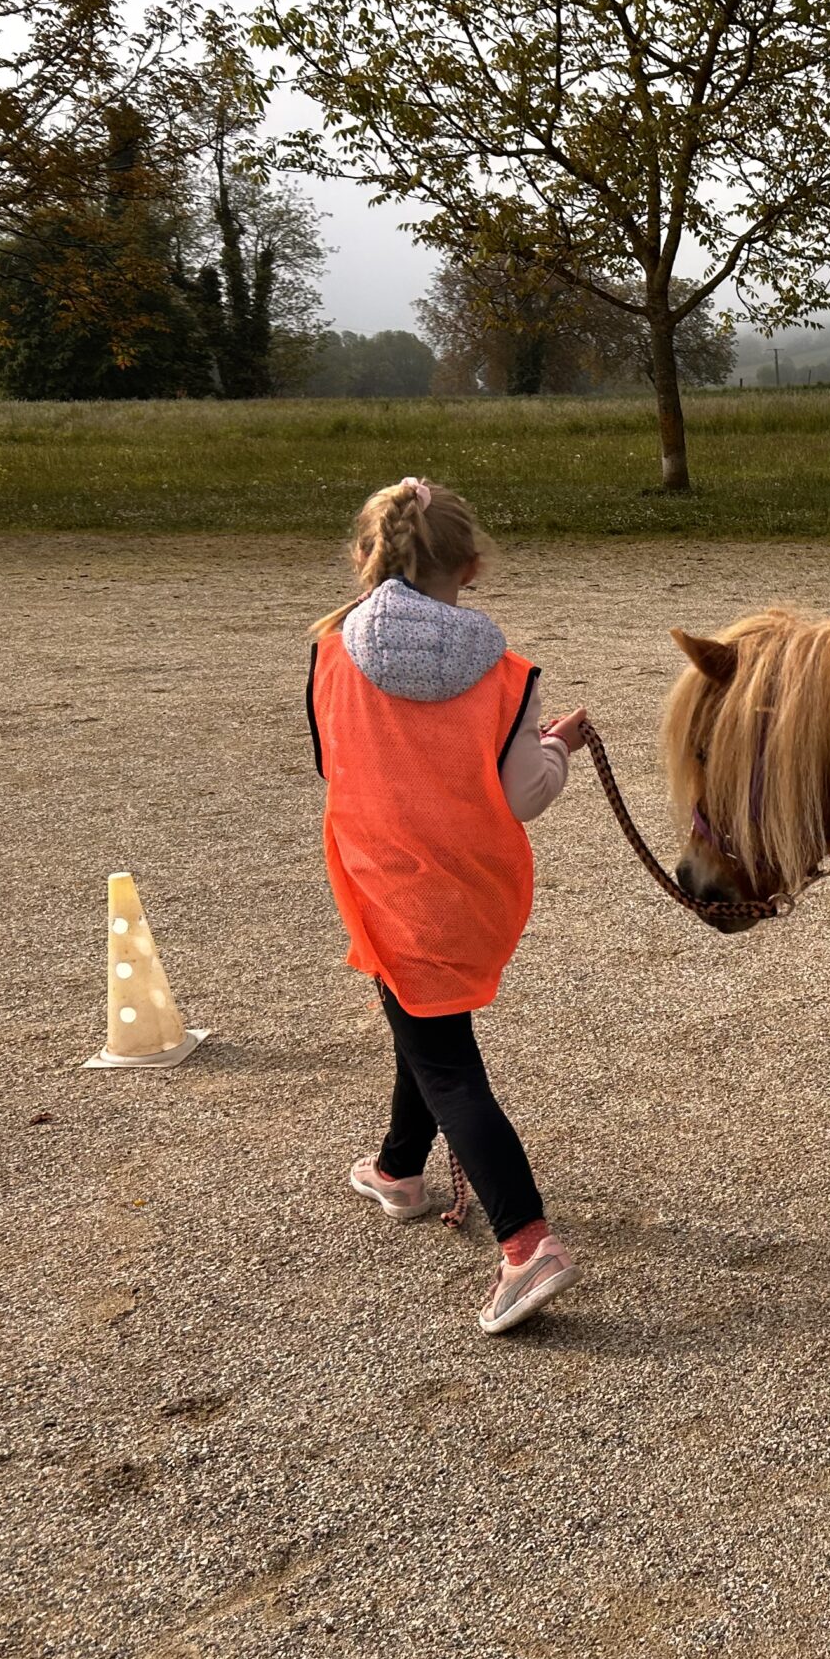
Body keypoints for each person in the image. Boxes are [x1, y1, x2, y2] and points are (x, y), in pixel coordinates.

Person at [305, 476, 584, 1334]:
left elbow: (332, 762)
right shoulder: (504, 675)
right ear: (470, 569)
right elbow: (525, 793)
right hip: (469, 886)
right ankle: (398, 1169)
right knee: (425, 1026)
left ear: (371, 557)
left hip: (386, 879)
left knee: (443, 1055)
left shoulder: (330, 651)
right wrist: (556, 751)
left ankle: (526, 1242)